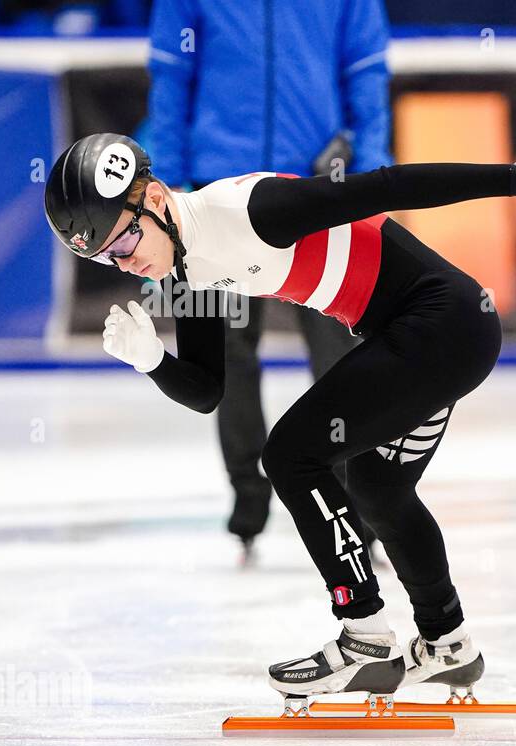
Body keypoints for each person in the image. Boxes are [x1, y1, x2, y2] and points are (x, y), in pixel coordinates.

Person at [44, 132, 516, 711]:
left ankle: (365, 635)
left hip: (443, 325)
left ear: (158, 198)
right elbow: (209, 390)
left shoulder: (252, 212)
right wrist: (152, 361)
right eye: (111, 256)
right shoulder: (186, 269)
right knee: (379, 488)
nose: (129, 260)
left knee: (291, 454)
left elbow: (388, 186)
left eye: (130, 237)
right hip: (431, 335)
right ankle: (449, 642)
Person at [147, 0, 393, 557]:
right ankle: (248, 491)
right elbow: (171, 75)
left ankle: (361, 500)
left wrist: (369, 170)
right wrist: (172, 178)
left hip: (313, 189)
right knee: (223, 352)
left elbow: (366, 68)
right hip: (212, 191)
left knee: (342, 354)